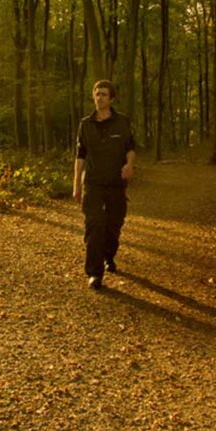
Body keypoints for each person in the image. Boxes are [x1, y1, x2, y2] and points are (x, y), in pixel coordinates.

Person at [72, 80, 136, 290]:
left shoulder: (122, 122)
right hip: (93, 184)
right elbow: (80, 156)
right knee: (95, 224)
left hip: (116, 184)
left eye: (104, 95)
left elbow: (130, 148)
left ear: (111, 99)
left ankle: (109, 255)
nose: (99, 98)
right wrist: (76, 186)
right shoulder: (85, 124)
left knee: (113, 226)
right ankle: (94, 273)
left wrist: (129, 165)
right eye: (97, 94)